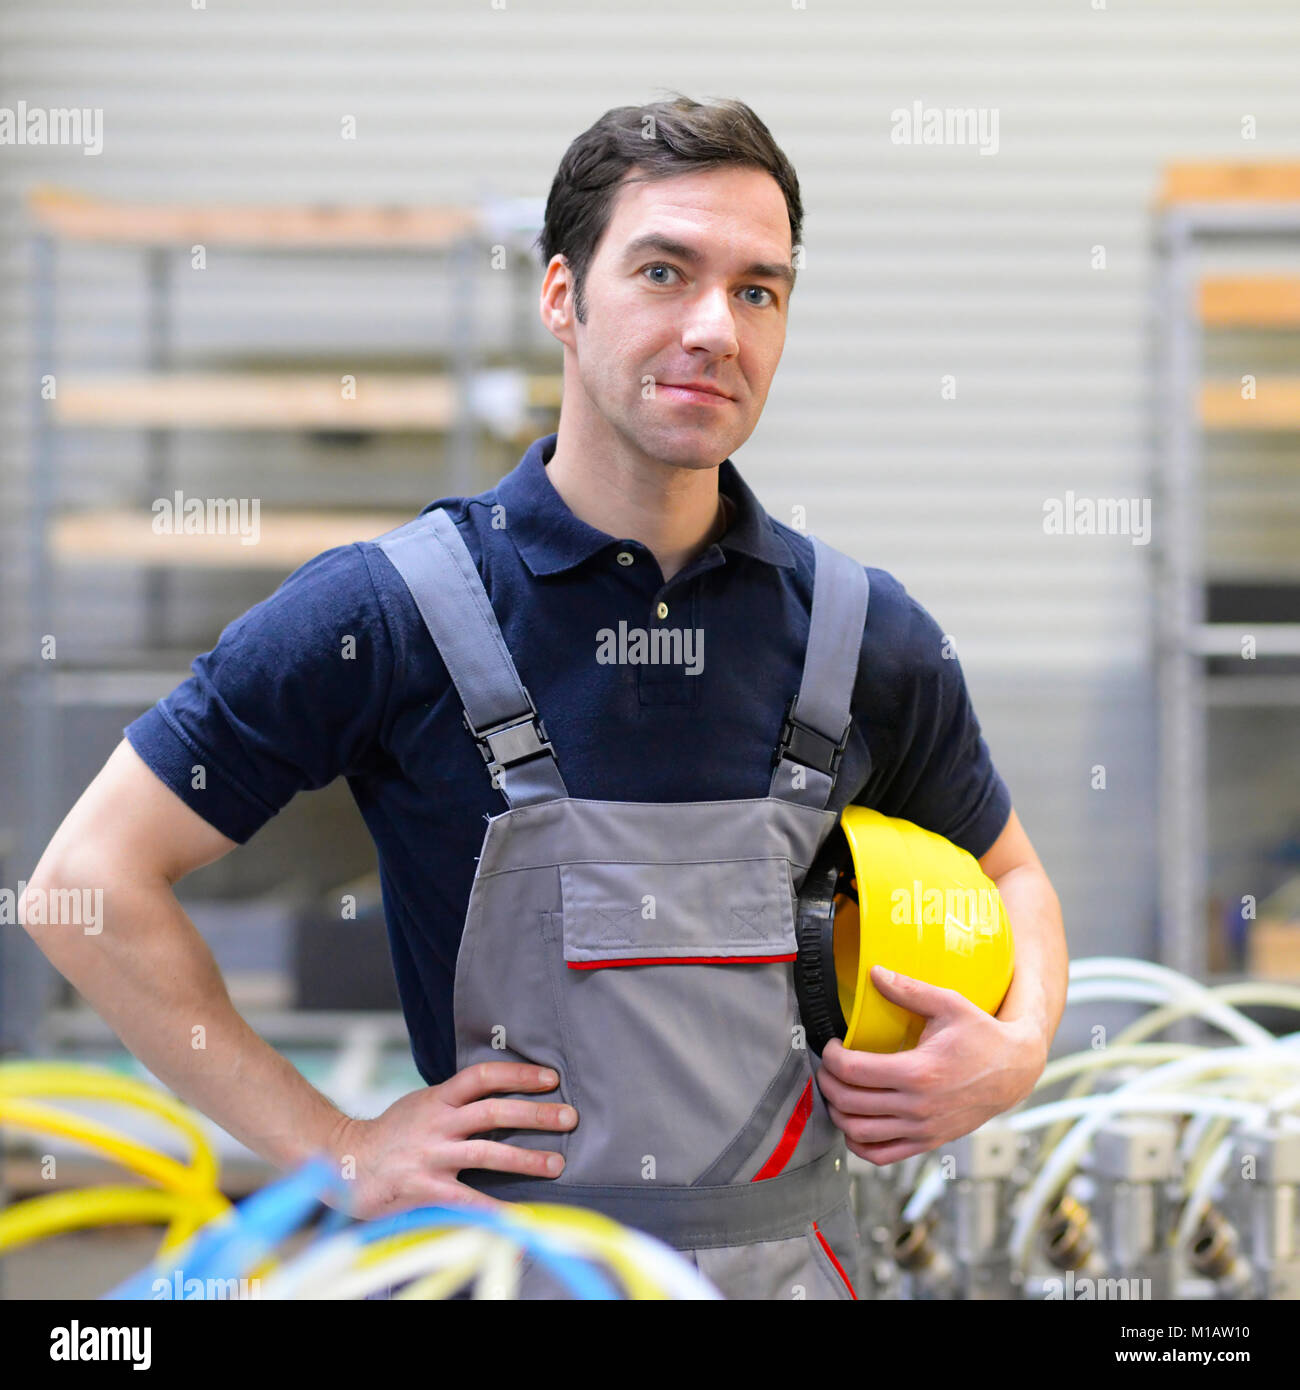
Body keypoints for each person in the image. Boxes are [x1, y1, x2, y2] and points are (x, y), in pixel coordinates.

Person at [21, 93, 1066, 1300]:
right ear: (561, 298)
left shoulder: (860, 633)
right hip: (509, 1275)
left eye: (756, 288)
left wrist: (1021, 1043)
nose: (714, 327)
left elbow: (1014, 876)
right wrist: (339, 1150)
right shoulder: (389, 613)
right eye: (664, 271)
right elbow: (83, 888)